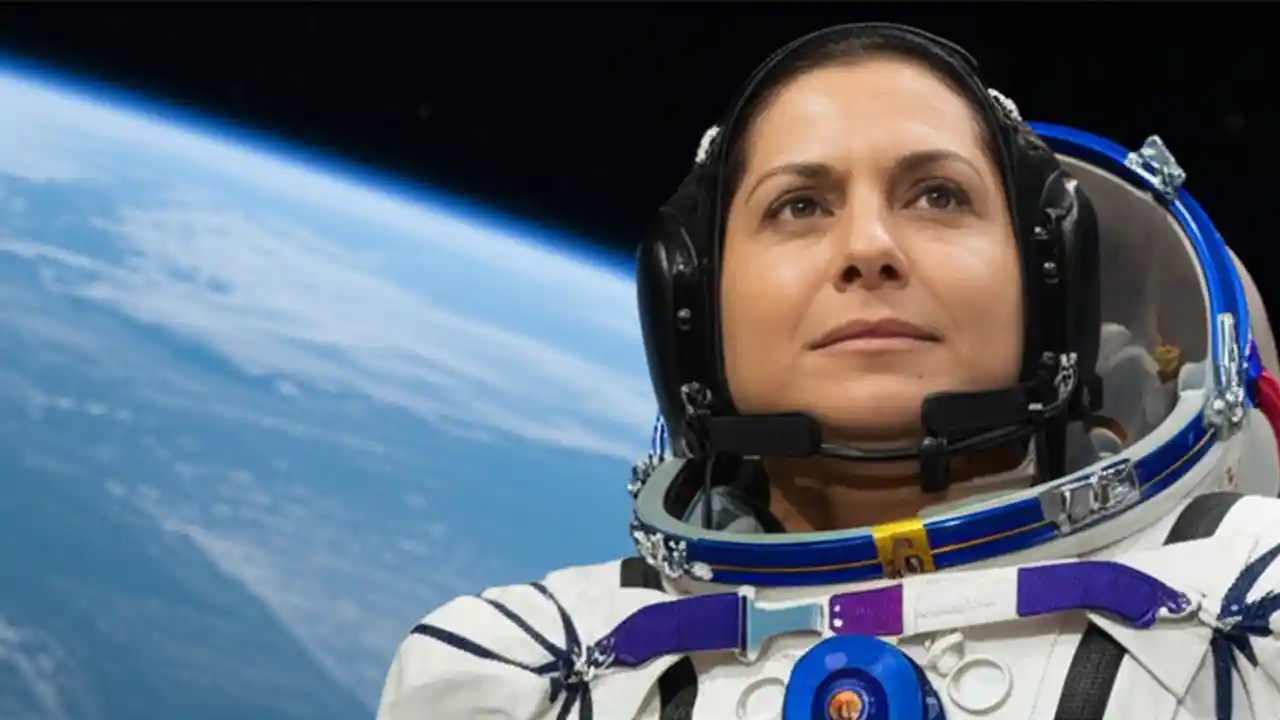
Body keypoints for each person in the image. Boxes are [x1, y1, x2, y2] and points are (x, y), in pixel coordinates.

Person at [376, 22, 1280, 720]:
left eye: (938, 195)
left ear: (1046, 284)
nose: (869, 249)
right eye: (799, 205)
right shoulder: (517, 674)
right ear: (697, 306)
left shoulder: (1258, 609)